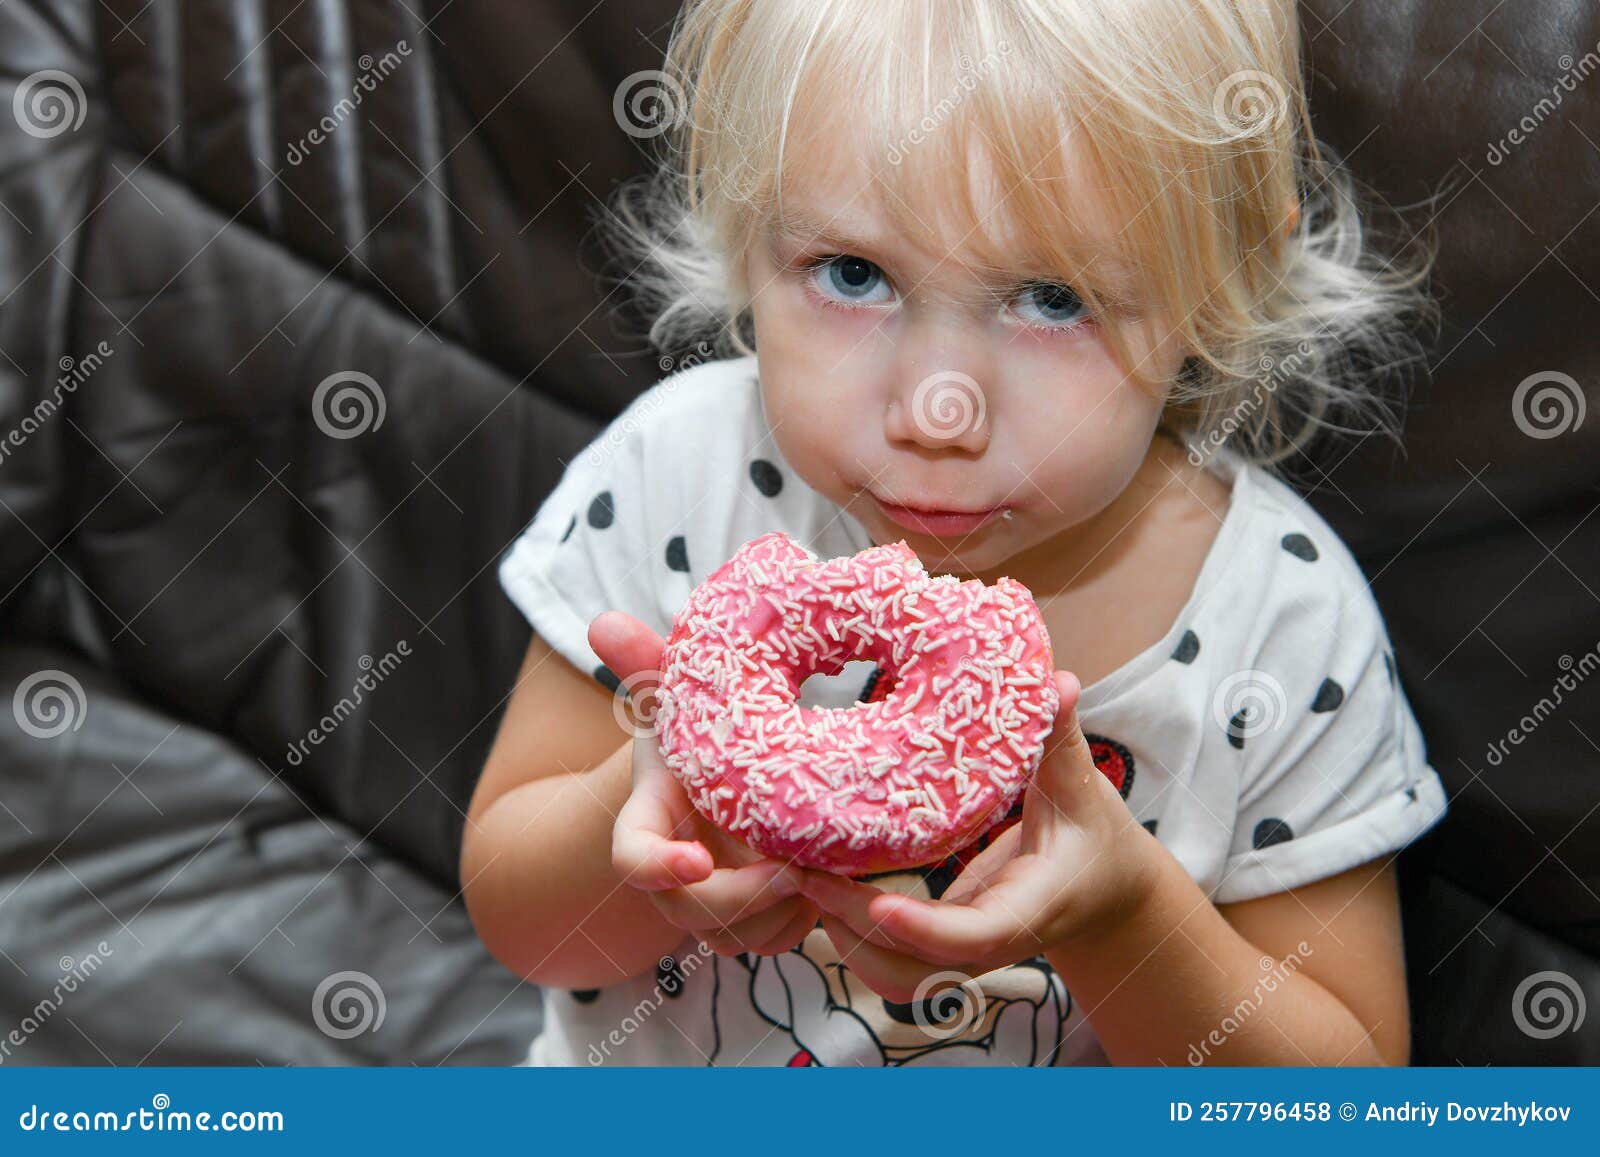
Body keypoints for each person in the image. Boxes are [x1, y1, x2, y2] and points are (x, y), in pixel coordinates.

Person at [463, 0, 1447, 1066]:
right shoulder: (678, 474)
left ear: (1222, 275)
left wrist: (1119, 921)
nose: (936, 411)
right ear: (746, 235)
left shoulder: (1283, 620)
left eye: (1053, 298)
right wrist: (669, 792)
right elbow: (520, 925)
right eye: (853, 274)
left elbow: (1344, 1096)